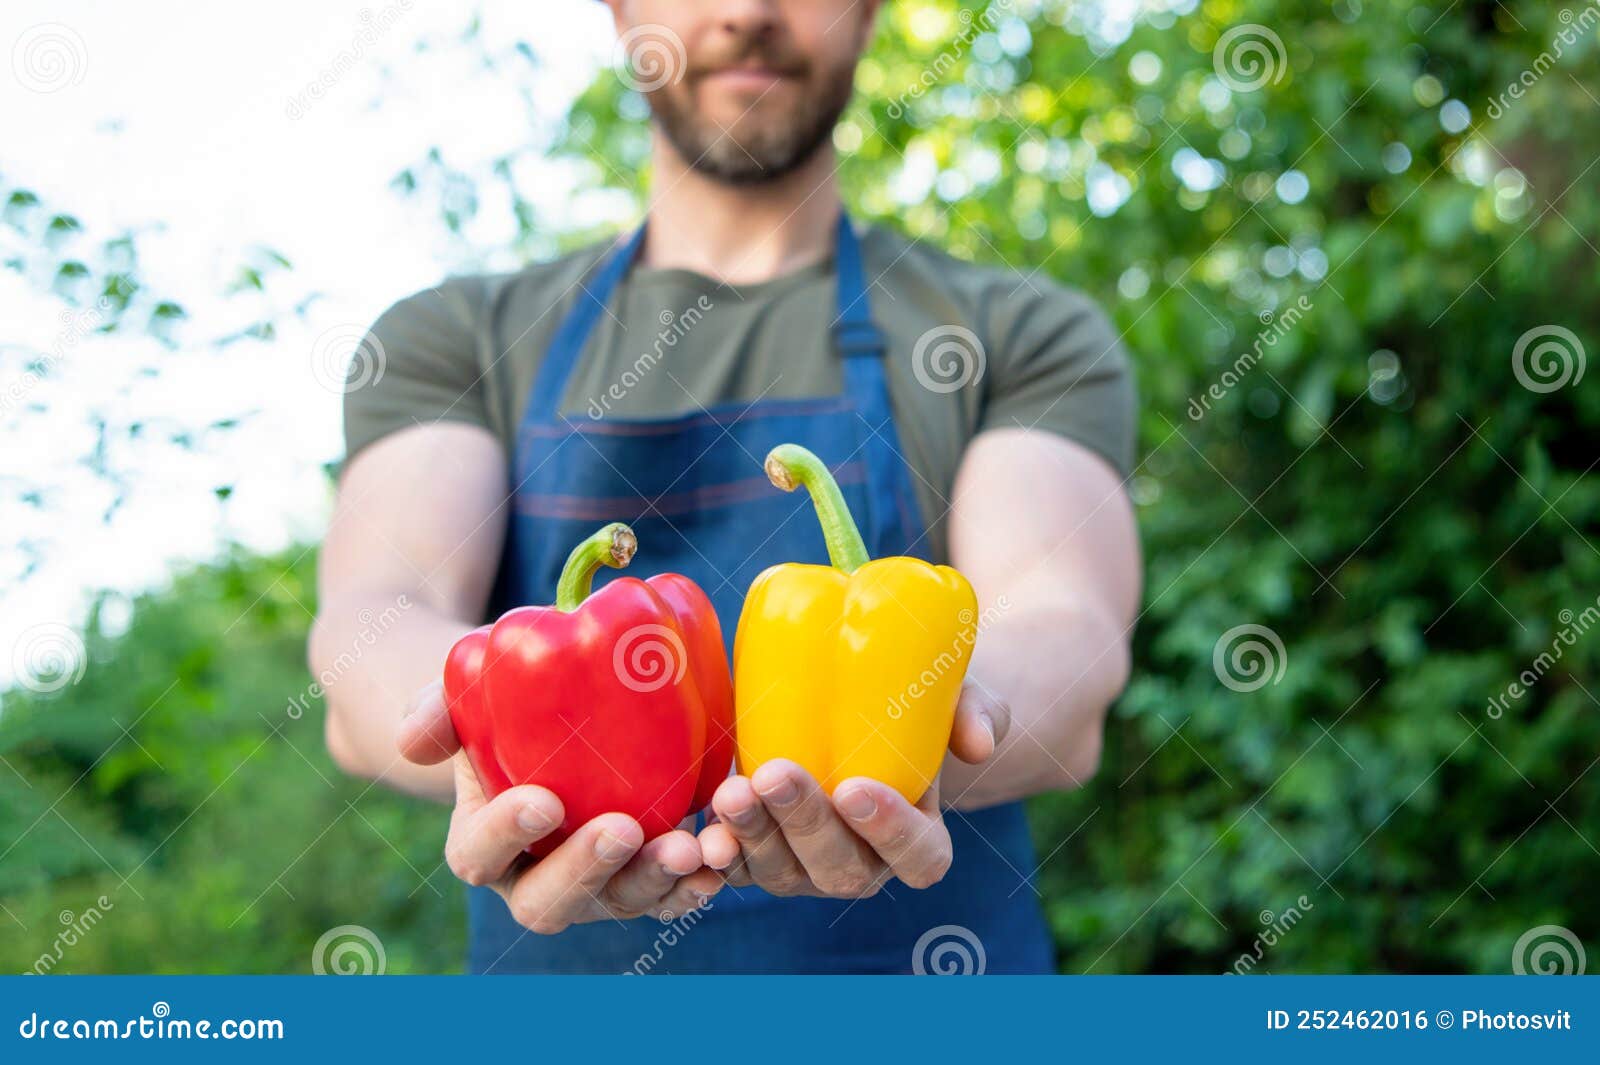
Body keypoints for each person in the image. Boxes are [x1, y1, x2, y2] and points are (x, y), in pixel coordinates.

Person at [311, 0, 1140, 974]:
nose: (748, 12)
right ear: (623, 14)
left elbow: (1063, 624)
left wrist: (908, 737)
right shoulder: (457, 337)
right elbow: (381, 608)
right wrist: (494, 750)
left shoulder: (1012, 331)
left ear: (869, 16)